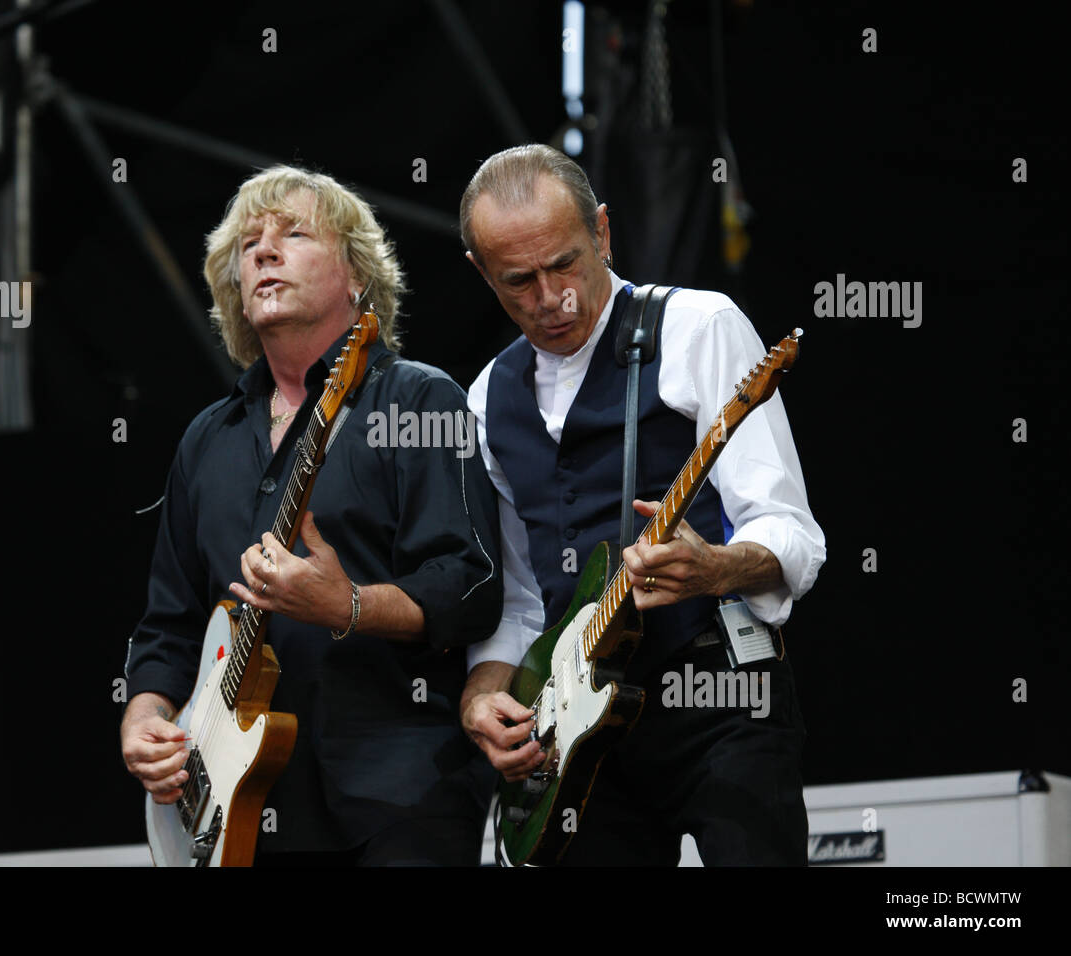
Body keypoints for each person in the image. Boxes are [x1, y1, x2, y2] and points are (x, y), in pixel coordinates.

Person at [120, 165, 501, 866]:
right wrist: (144, 719)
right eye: (249, 244)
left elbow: (469, 585)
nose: (264, 251)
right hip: (245, 808)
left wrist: (347, 603)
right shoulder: (207, 439)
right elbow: (168, 625)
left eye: (294, 234)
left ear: (358, 278)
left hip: (400, 797)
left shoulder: (418, 403)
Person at [458, 144, 825, 866]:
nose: (549, 297)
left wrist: (716, 567)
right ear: (480, 272)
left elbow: (792, 532)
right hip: (581, 729)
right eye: (518, 281)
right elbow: (522, 602)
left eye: (564, 263)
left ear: (602, 231)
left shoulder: (699, 327)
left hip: (720, 689)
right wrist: (481, 699)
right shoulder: (484, 399)